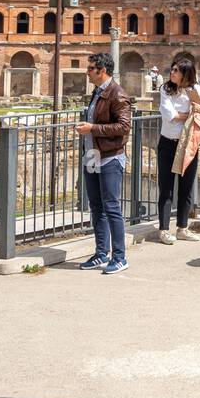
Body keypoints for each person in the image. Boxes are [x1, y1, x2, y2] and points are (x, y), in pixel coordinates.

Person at [78, 53, 131, 274]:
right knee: (96, 206)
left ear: (103, 70)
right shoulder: (98, 92)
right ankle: (101, 253)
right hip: (92, 154)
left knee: (111, 207)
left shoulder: (117, 94)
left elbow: (123, 127)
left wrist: (92, 129)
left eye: (91, 69)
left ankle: (119, 257)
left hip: (110, 156)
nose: (88, 72)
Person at [157, 58, 200, 244]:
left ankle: (182, 228)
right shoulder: (165, 89)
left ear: (186, 74)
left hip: (189, 144)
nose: (172, 72)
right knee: (166, 188)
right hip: (168, 143)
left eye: (177, 70)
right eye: (172, 69)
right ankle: (163, 230)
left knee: (186, 188)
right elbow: (170, 116)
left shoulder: (196, 90)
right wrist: (192, 114)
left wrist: (198, 111)